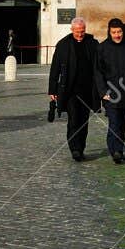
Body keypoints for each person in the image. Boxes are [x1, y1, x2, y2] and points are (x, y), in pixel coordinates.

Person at [47, 17, 98, 161]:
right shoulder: (63, 45)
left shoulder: (92, 44)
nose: (80, 35)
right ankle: (75, 148)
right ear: (72, 30)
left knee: (84, 121)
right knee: (74, 119)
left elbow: (99, 67)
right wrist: (52, 90)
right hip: (69, 90)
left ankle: (81, 148)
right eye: (77, 32)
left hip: (87, 90)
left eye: (82, 32)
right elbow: (55, 68)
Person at [94, 17, 125, 164]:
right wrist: (103, 92)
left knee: (122, 123)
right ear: (109, 32)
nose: (117, 35)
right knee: (114, 122)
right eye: (114, 32)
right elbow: (97, 72)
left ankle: (119, 150)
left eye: (119, 31)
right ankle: (114, 151)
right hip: (110, 93)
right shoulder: (102, 48)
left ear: (123, 31)